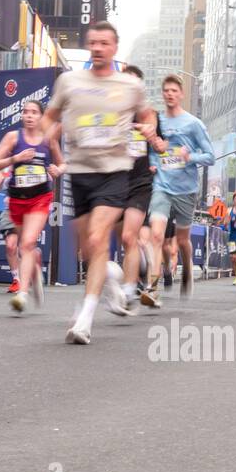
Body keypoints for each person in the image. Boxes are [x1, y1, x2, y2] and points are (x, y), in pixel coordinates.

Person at [42, 22, 146, 344]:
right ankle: (111, 275)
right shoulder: (70, 81)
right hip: (80, 172)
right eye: (93, 43)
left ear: (115, 47)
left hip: (115, 172)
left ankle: (85, 320)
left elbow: (148, 115)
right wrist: (48, 133)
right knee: (88, 249)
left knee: (100, 237)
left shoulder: (130, 86)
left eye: (104, 43)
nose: (97, 48)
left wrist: (149, 130)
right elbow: (50, 116)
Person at [144, 75, 214, 300]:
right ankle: (152, 288)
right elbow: (155, 151)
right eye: (166, 90)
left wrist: (189, 156)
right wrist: (153, 165)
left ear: (181, 94)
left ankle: (188, 268)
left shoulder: (193, 124)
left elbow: (210, 157)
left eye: (174, 90)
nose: (170, 94)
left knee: (183, 240)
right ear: (163, 94)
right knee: (156, 235)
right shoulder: (158, 121)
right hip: (162, 186)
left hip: (186, 189)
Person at [0, 99, 64, 312]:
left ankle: (22, 293)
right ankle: (35, 267)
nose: (29, 115)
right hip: (16, 198)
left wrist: (58, 171)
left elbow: (62, 163)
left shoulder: (48, 140)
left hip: (40, 197)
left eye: (34, 112)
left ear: (41, 117)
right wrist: (16, 158)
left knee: (27, 244)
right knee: (23, 246)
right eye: (26, 112)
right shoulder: (13, 137)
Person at [111, 64, 168, 311]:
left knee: (128, 236)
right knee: (123, 241)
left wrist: (152, 138)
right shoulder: (111, 112)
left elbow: (162, 147)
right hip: (112, 182)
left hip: (140, 183)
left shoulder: (149, 114)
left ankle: (128, 290)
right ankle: (139, 266)